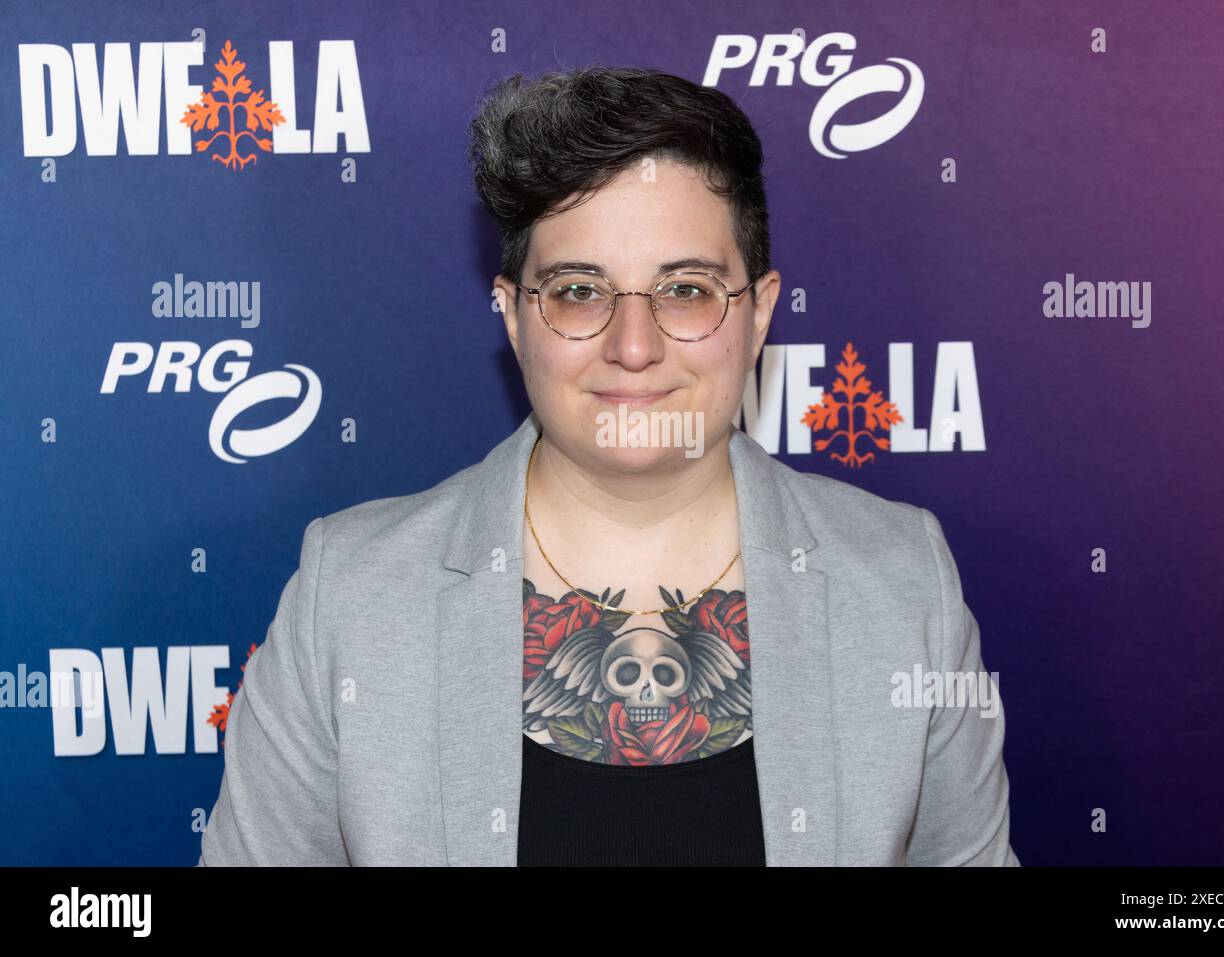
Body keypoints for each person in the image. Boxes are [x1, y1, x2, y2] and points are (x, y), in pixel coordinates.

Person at [197, 66, 1018, 867]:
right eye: (581, 291)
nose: (634, 347)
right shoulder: (351, 592)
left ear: (760, 311)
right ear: (516, 316)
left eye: (687, 289)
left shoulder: (902, 581)